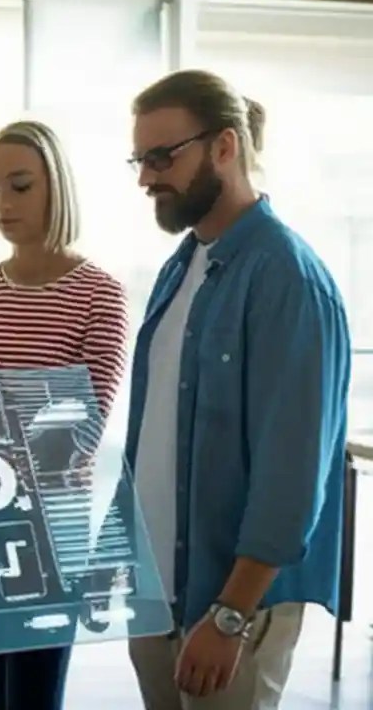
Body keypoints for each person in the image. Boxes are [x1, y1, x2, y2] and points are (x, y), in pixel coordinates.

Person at [124, 69, 349, 710]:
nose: (146, 177)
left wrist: (230, 615)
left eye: (162, 157)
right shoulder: (184, 264)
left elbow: (293, 471)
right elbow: (157, 432)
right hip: (160, 592)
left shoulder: (288, 279)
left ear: (224, 147)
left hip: (229, 610)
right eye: (140, 159)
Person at [0, 120, 130, 709]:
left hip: (45, 518)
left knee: (32, 695)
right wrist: (36, 401)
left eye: (19, 186)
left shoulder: (99, 293)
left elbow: (79, 433)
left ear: (55, 187)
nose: (2, 204)